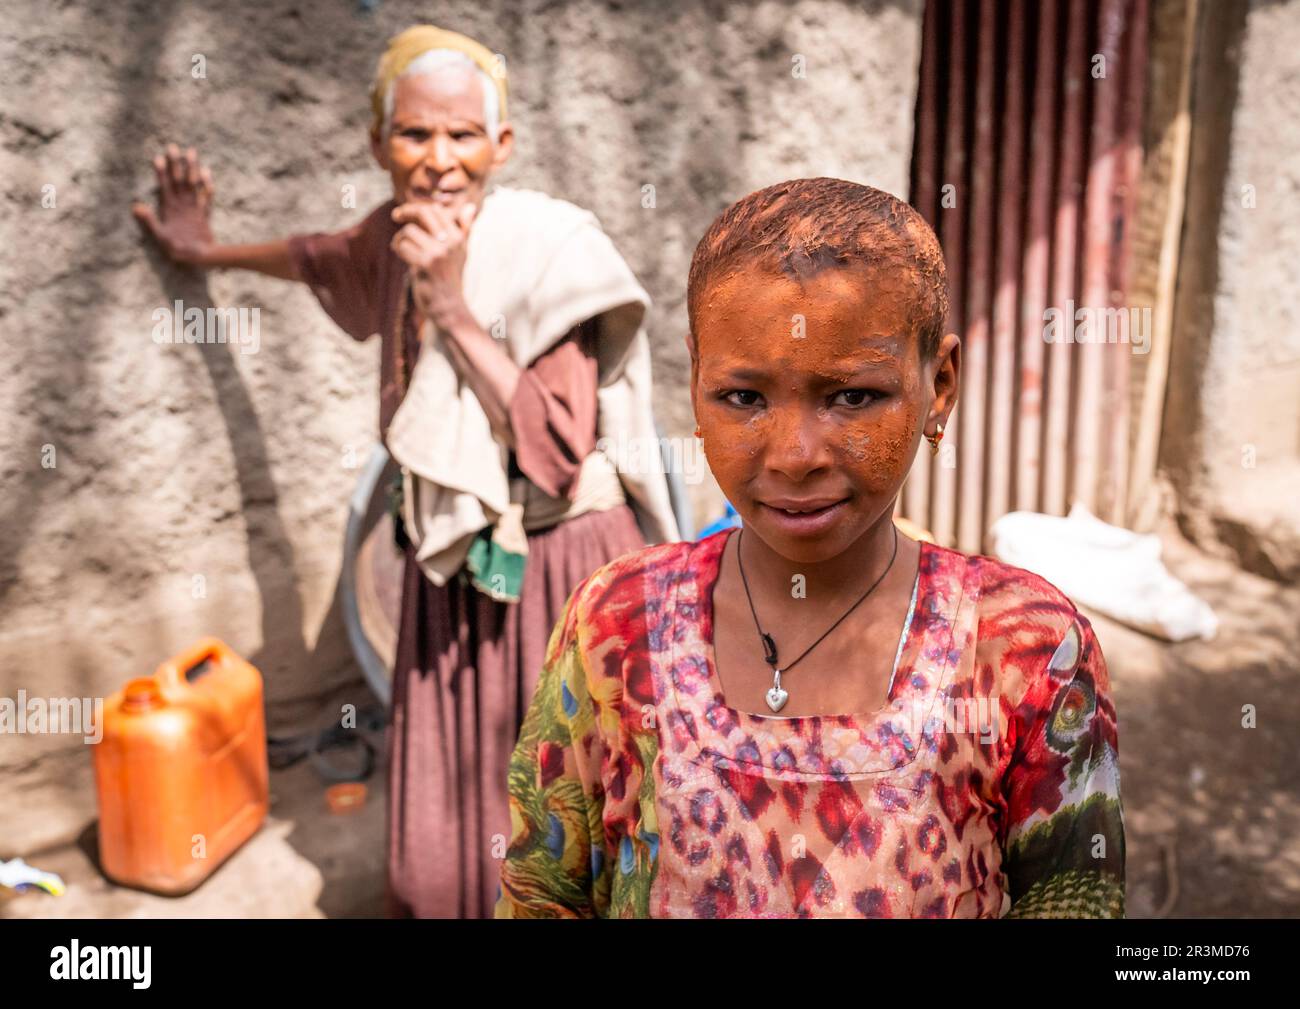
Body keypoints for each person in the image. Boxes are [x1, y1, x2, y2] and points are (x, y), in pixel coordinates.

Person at [133, 25, 679, 918]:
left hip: (561, 571)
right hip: (456, 564)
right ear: (376, 144)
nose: (439, 160)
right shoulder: (391, 238)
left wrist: (454, 306)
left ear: (502, 146)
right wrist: (203, 253)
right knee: (450, 823)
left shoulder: (550, 248)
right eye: (415, 134)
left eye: (464, 135)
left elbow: (555, 451)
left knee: (562, 812)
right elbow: (314, 255)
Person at [496, 177, 1125, 918]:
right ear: (696, 382)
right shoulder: (614, 623)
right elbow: (544, 890)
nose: (795, 454)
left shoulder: (1027, 649)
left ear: (940, 386)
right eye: (744, 397)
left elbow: (1076, 899)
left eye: (853, 396)